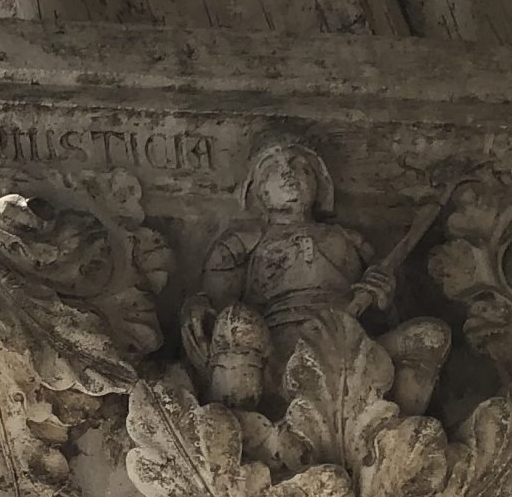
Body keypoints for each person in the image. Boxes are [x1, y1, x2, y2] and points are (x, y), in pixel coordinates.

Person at [181, 134, 449, 413]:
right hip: (273, 352)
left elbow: (389, 314)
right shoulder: (244, 242)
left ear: (319, 182)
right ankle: (238, 420)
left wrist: (384, 300)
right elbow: (218, 309)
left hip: (345, 347)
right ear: (259, 190)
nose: (288, 174)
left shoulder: (350, 240)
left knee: (431, 335)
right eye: (273, 169)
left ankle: (394, 432)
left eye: (301, 167)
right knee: (237, 323)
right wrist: (198, 309)